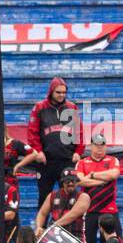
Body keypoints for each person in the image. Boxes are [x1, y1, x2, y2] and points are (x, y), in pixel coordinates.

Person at [27, 77, 83, 210]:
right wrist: (38, 151)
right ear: (51, 91)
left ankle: (69, 228)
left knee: (70, 197)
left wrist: (78, 152)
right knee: (44, 197)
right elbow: (32, 132)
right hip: (46, 162)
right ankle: (42, 228)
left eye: (64, 92)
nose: (61, 95)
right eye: (58, 92)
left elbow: (79, 132)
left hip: (67, 160)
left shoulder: (71, 107)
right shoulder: (39, 108)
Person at [76, 134, 120, 243]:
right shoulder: (82, 162)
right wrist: (102, 181)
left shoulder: (112, 160)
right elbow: (80, 181)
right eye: (97, 145)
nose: (99, 148)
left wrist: (93, 175)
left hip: (110, 211)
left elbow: (114, 174)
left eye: (102, 145)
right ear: (91, 146)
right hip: (90, 210)